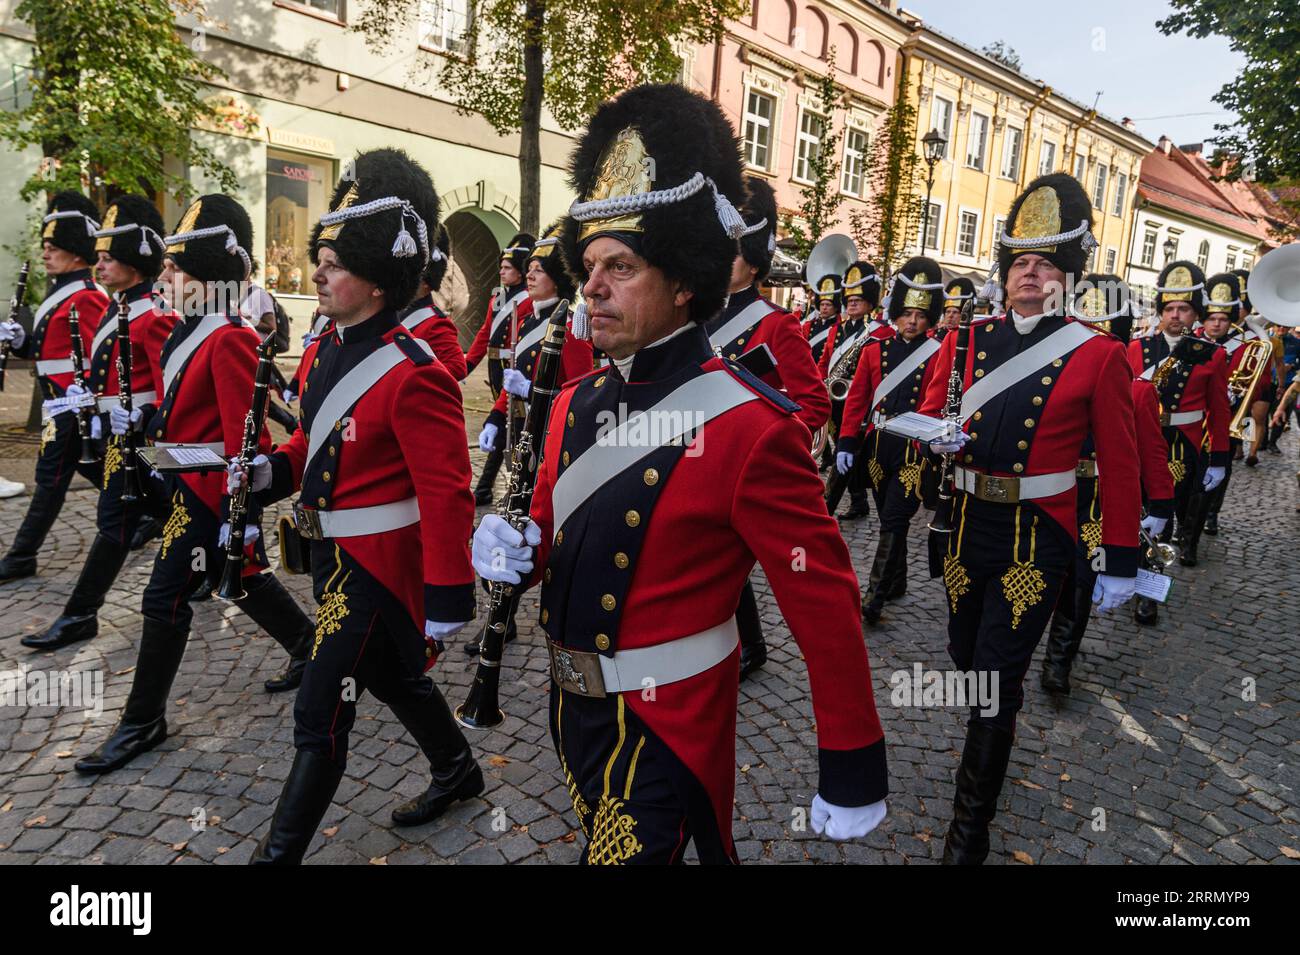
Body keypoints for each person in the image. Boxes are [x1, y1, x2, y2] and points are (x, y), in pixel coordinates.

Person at [472, 83, 889, 863]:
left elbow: (824, 595)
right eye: (589, 263)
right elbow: (558, 531)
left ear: (684, 280)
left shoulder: (747, 426)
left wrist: (852, 760)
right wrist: (516, 547)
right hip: (574, 709)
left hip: (668, 720)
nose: (590, 284)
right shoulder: (570, 404)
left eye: (620, 265)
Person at [233, 150, 481, 864]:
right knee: (395, 674)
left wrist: (446, 592)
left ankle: (275, 857)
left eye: (333, 263)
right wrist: (266, 472)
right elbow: (315, 441)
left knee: (320, 709)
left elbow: (447, 489)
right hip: (332, 556)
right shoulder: (331, 349)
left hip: (377, 563)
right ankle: (458, 768)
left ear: (373, 281)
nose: (317, 274)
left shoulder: (414, 370)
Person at [918, 173, 1141, 864]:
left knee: (996, 678)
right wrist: (933, 438)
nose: (1030, 274)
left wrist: (1121, 556)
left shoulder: (1096, 352)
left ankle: (968, 830)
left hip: (1036, 538)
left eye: (1044, 265)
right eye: (1020, 263)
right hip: (965, 527)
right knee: (964, 657)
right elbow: (931, 413)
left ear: (1065, 278)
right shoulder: (965, 342)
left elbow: (1122, 460)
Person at [74, 193, 315, 775]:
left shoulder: (229, 337)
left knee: (164, 598)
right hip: (187, 492)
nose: (166, 274)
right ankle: (309, 648)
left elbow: (241, 443)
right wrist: (146, 427)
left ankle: (142, 722)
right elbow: (184, 417)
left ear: (206, 279)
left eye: (177, 268)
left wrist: (236, 509)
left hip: (210, 498)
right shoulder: (186, 332)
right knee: (245, 580)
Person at [23, 195, 178, 650]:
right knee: (167, 515)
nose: (100, 265)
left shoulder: (153, 313)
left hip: (139, 438)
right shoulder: (118, 304)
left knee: (116, 523)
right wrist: (84, 390)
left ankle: (79, 615)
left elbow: (169, 388)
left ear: (134, 262)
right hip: (114, 435)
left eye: (110, 258)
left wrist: (145, 416)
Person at [706, 175, 831, 677]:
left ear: (754, 261)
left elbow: (814, 404)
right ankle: (745, 643)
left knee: (729, 560)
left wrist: (763, 438)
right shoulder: (696, 317)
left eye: (731, 254)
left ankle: (750, 647)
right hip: (695, 456)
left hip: (742, 468)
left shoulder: (776, 325)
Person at [1042, 274, 1172, 688]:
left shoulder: (1137, 391)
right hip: (1052, 490)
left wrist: (1162, 505)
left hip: (1097, 498)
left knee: (1081, 579)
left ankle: (1058, 661)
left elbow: (1148, 454)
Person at [0, 191, 108, 584]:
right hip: (56, 403)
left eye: (53, 247)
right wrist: (19, 342)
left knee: (50, 479)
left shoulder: (89, 296)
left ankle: (21, 555)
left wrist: (90, 402)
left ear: (76, 253)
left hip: (71, 406)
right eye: (45, 246)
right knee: (92, 469)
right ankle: (149, 513)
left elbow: (100, 357)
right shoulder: (61, 290)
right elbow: (47, 352)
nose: (45, 253)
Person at [836, 256, 945, 625]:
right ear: (895, 313)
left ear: (930, 317)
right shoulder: (874, 349)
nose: (912, 321)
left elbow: (936, 403)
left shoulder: (938, 354)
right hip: (878, 448)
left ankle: (874, 597)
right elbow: (857, 401)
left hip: (912, 451)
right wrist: (847, 442)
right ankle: (896, 581)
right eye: (906, 313)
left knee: (895, 520)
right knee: (886, 515)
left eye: (920, 314)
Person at [1126, 260, 1228, 573]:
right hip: (1141, 440)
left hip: (1182, 445)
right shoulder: (1135, 348)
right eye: (1169, 308)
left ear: (1196, 313)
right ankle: (1132, 566)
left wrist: (1220, 459)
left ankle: (1152, 582)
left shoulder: (1212, 354)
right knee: (1136, 507)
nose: (1175, 315)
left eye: (1184, 308)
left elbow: (1219, 410)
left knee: (1165, 510)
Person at [464, 232, 535, 505]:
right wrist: (467, 364)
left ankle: (491, 487)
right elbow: (485, 333)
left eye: (507, 268)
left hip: (513, 366)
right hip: (495, 369)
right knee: (505, 424)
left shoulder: (528, 300)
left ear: (519, 271)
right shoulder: (498, 297)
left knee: (514, 426)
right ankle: (485, 489)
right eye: (501, 267)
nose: (502, 271)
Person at [397, 224, 467, 381]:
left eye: (413, 276)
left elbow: (457, 367)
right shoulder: (396, 311)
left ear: (426, 284)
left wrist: (414, 379)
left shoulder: (435, 324)